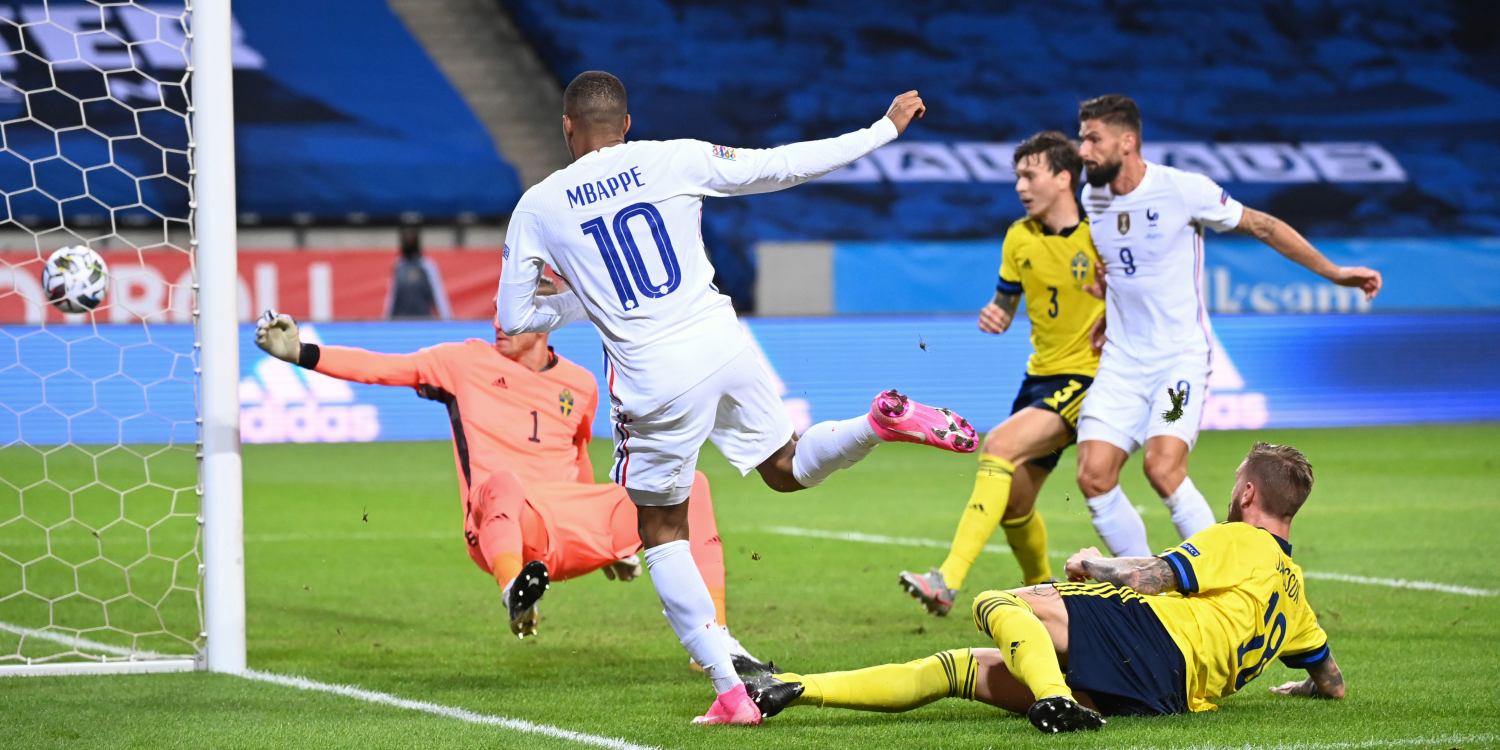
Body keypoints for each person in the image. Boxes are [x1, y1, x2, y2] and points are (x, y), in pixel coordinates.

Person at [496, 71, 979, 725]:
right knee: (786, 466)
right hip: (723, 343)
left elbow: (514, 316)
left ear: (567, 128)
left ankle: (731, 694)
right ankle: (873, 423)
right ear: (628, 125)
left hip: (654, 375)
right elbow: (782, 167)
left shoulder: (540, 206)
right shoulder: (675, 156)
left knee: (660, 529)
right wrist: (882, 128)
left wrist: (579, 295)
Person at [252, 279, 755, 660]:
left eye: (511, 311)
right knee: (504, 483)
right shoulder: (461, 363)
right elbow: (384, 367)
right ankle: (515, 592)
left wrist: (610, 551)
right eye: (497, 308)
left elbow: (578, 461)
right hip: (505, 526)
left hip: (569, 526)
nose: (497, 319)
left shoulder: (580, 385)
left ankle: (714, 640)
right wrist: (300, 353)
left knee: (694, 484)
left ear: (545, 319)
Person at [746, 443, 1344, 734]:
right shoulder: (1297, 601)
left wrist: (1094, 564)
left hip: (1153, 640)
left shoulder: (1237, 538)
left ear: (1246, 494)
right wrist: (1306, 687)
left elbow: (1147, 579)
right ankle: (794, 688)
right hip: (1163, 694)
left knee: (996, 603)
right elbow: (1332, 681)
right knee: (959, 668)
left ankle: (1053, 696)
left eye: (1235, 481)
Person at [1072, 95, 1381, 557]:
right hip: (1120, 361)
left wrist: (1334, 272)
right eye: (1082, 139)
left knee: (1163, 469)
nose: (1083, 150)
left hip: (1178, 361)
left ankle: (1234, 573)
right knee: (1093, 476)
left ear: (1128, 141)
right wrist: (1104, 311)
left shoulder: (1182, 189)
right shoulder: (1091, 196)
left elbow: (1263, 226)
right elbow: (1119, 267)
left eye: (1094, 139)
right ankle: (1139, 584)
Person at [899, 131, 1105, 616]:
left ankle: (946, 582)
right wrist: (997, 313)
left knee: (998, 447)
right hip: (1039, 379)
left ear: (1063, 178)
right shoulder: (1018, 237)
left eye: (1029, 175)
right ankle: (1051, 598)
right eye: (1016, 176)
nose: (1019, 185)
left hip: (1087, 380)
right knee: (1014, 504)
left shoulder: (1102, 235)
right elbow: (1006, 302)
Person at [386, 225, 453, 320]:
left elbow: (438, 295)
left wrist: (447, 319)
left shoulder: (427, 266)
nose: (408, 242)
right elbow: (392, 297)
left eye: (411, 239)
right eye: (406, 240)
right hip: (401, 321)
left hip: (423, 320)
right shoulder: (398, 265)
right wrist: (387, 320)